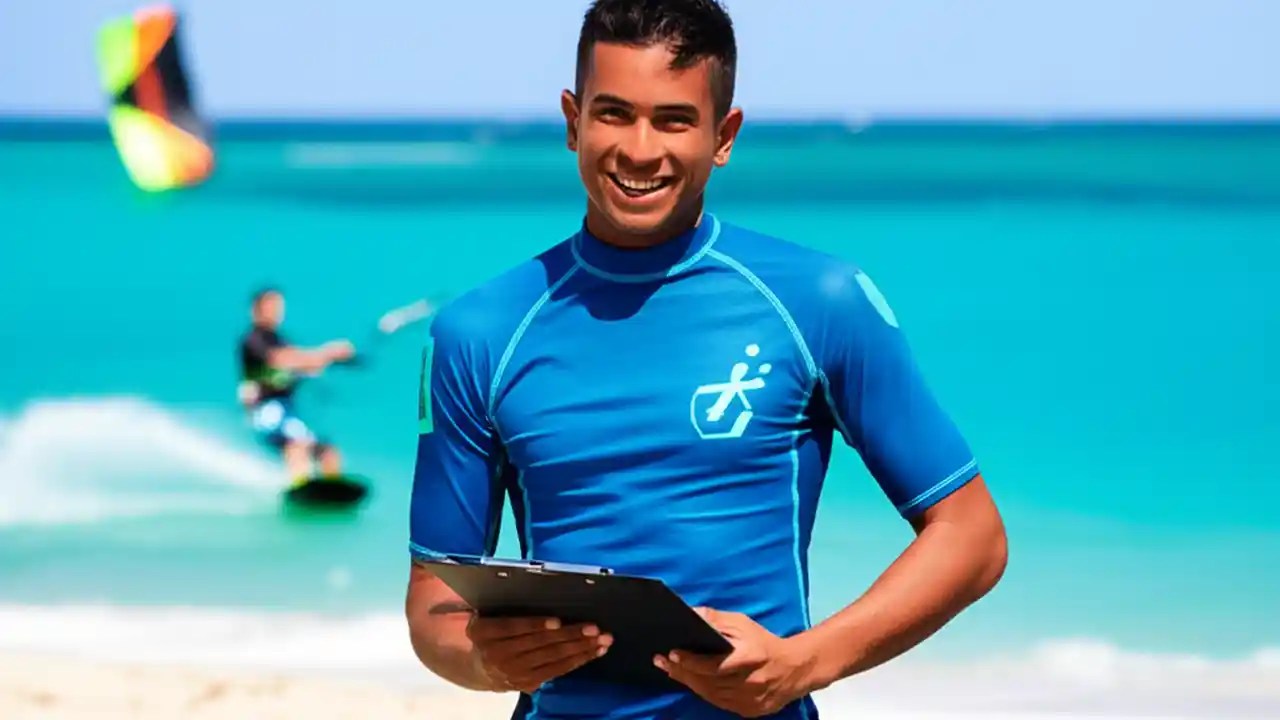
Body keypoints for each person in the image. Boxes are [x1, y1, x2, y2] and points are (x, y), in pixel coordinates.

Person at [405, 1, 1008, 718]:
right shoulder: (479, 332)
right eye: (613, 113)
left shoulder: (819, 302)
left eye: (673, 120)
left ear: (723, 136)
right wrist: (483, 659)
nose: (639, 149)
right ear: (572, 120)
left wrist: (804, 663)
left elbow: (971, 538)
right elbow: (434, 605)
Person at [238, 287, 355, 484]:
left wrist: (336, 358)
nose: (277, 310)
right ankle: (299, 485)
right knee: (296, 445)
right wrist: (327, 352)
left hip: (288, 411)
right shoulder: (253, 339)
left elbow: (304, 364)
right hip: (267, 411)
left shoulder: (281, 340)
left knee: (327, 451)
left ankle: (333, 490)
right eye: (271, 305)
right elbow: (281, 359)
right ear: (256, 309)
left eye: (279, 305)